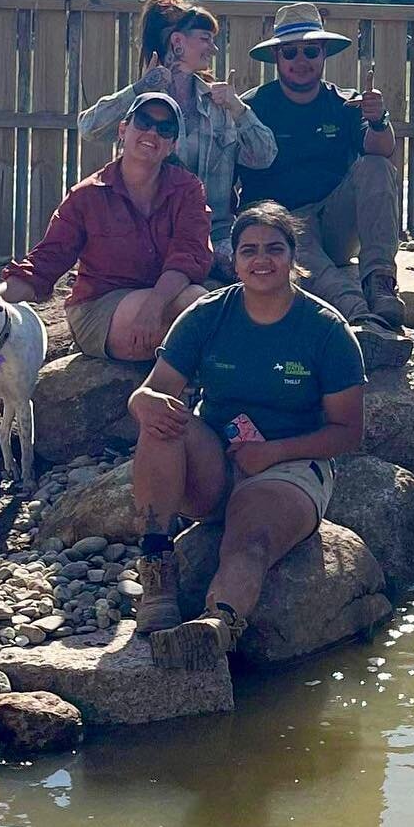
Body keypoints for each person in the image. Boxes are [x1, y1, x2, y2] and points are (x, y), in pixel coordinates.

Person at [126, 202, 367, 670]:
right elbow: (153, 390)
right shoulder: (206, 315)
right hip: (216, 460)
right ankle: (157, 571)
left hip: (290, 466)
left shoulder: (326, 330)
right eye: (250, 250)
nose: (262, 260)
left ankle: (217, 626)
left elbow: (348, 432)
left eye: (274, 249)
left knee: (249, 541)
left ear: (294, 258)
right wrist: (142, 402)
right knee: (162, 419)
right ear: (233, 261)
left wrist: (273, 451)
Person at [237, 3, 409, 369]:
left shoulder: (346, 104)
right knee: (315, 269)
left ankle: (381, 283)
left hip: (335, 223)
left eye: (311, 50)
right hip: (281, 226)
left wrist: (379, 120)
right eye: (291, 52)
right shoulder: (251, 108)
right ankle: (363, 320)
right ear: (277, 58)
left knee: (377, 167)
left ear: (324, 54)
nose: (301, 60)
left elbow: (382, 149)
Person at [0, 92, 212, 360]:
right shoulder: (86, 195)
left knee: (199, 302)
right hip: (100, 305)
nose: (152, 132)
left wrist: (152, 308)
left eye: (164, 128)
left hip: (161, 297)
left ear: (172, 145)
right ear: (123, 129)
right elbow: (47, 260)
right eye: (144, 122)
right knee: (197, 315)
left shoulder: (188, 189)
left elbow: (189, 256)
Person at [78, 0, 276, 277]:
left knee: (251, 268)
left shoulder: (218, 104)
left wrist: (238, 107)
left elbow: (264, 156)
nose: (214, 48)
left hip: (214, 233)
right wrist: (139, 88)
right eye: (206, 38)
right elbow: (89, 129)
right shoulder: (144, 106)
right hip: (150, 235)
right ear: (178, 42)